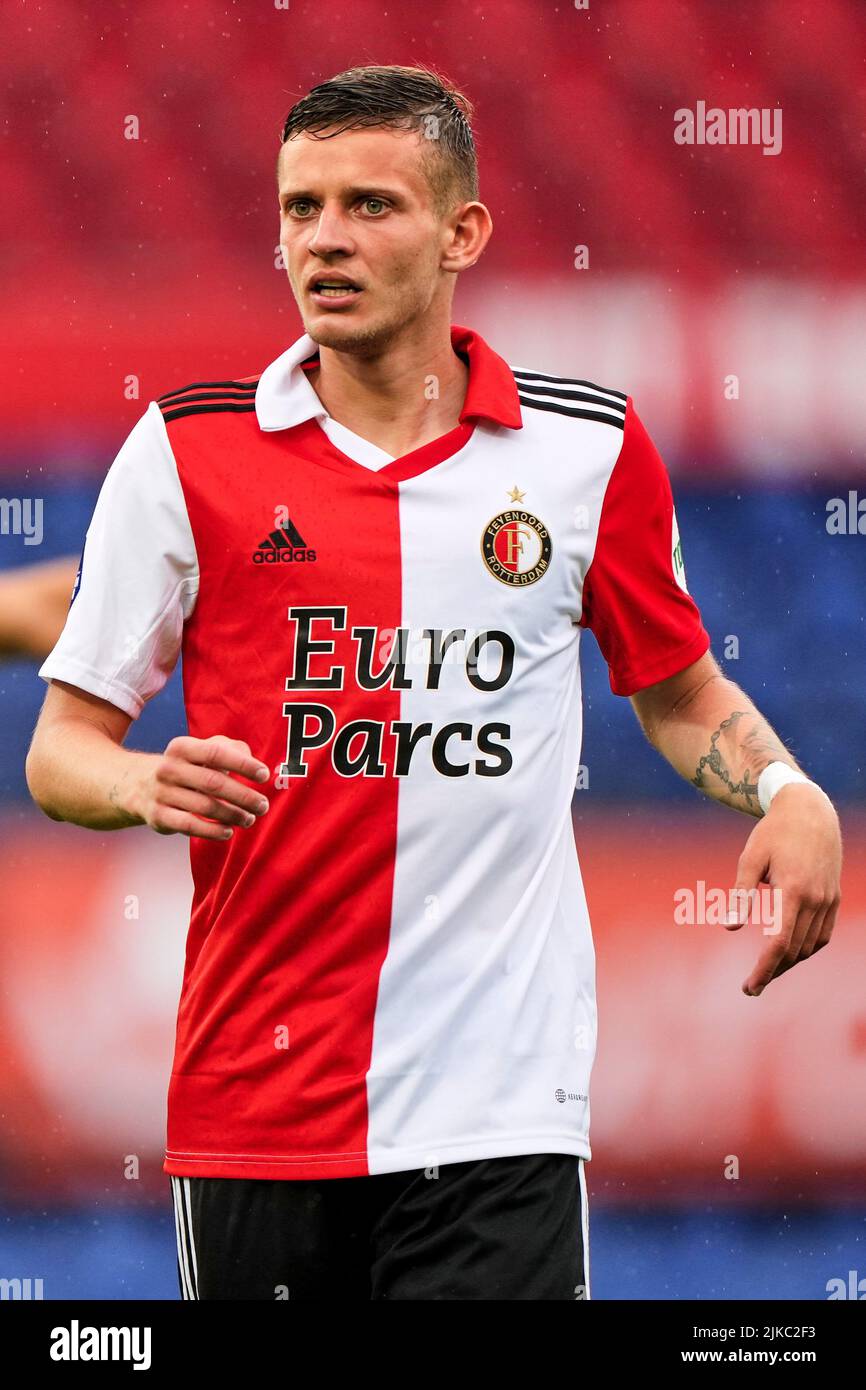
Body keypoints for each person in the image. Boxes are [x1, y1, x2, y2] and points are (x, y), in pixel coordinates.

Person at [25, 64, 842, 1301]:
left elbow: (675, 690)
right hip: (257, 1105)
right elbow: (58, 751)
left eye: (369, 205)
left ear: (462, 233)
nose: (325, 240)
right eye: (301, 209)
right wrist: (140, 780)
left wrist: (783, 788)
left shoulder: (584, 452)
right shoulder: (186, 450)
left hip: (497, 1117)